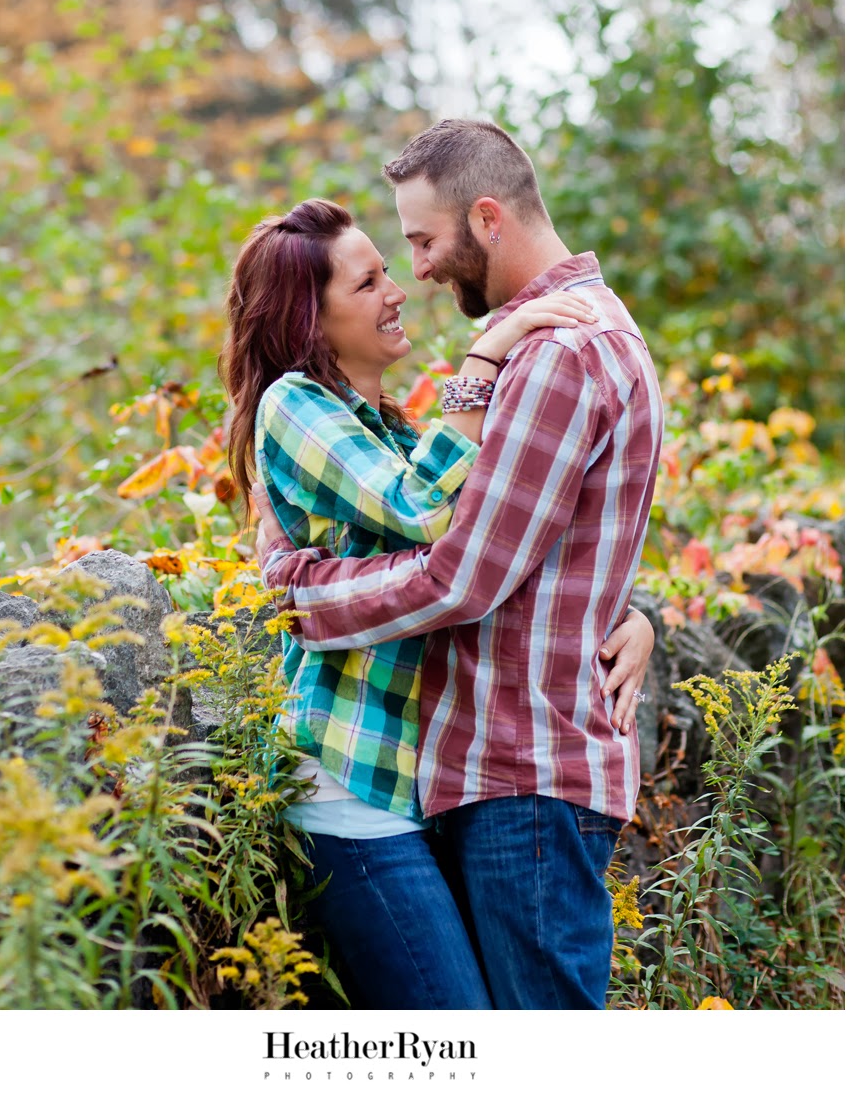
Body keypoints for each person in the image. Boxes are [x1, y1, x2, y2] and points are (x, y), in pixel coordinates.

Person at [254, 119, 665, 1011]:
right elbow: (536, 535)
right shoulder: (583, 335)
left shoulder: (555, 351)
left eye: (420, 244)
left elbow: (461, 574)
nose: (418, 275)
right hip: (441, 776)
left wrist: (298, 600)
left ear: (486, 219)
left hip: (521, 771)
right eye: (381, 270)